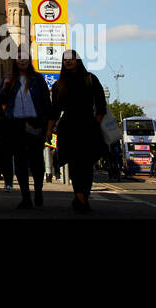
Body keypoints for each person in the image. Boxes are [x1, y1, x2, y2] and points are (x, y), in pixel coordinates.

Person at [47, 49, 106, 214]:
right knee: (73, 165)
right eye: (65, 60)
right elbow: (54, 110)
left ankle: (83, 197)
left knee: (87, 166)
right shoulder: (58, 85)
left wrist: (96, 124)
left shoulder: (90, 79)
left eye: (71, 59)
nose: (68, 62)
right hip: (68, 128)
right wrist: (49, 129)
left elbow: (101, 105)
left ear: (77, 60)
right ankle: (80, 197)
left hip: (88, 127)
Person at [0, 53, 52, 209]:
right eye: (19, 57)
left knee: (36, 161)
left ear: (29, 60)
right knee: (20, 161)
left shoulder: (38, 79)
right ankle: (25, 196)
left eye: (25, 57)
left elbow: (46, 104)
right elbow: (0, 100)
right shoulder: (9, 78)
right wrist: (5, 86)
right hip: (15, 125)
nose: (22, 60)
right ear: (15, 61)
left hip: (35, 124)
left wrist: (48, 127)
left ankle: (38, 190)